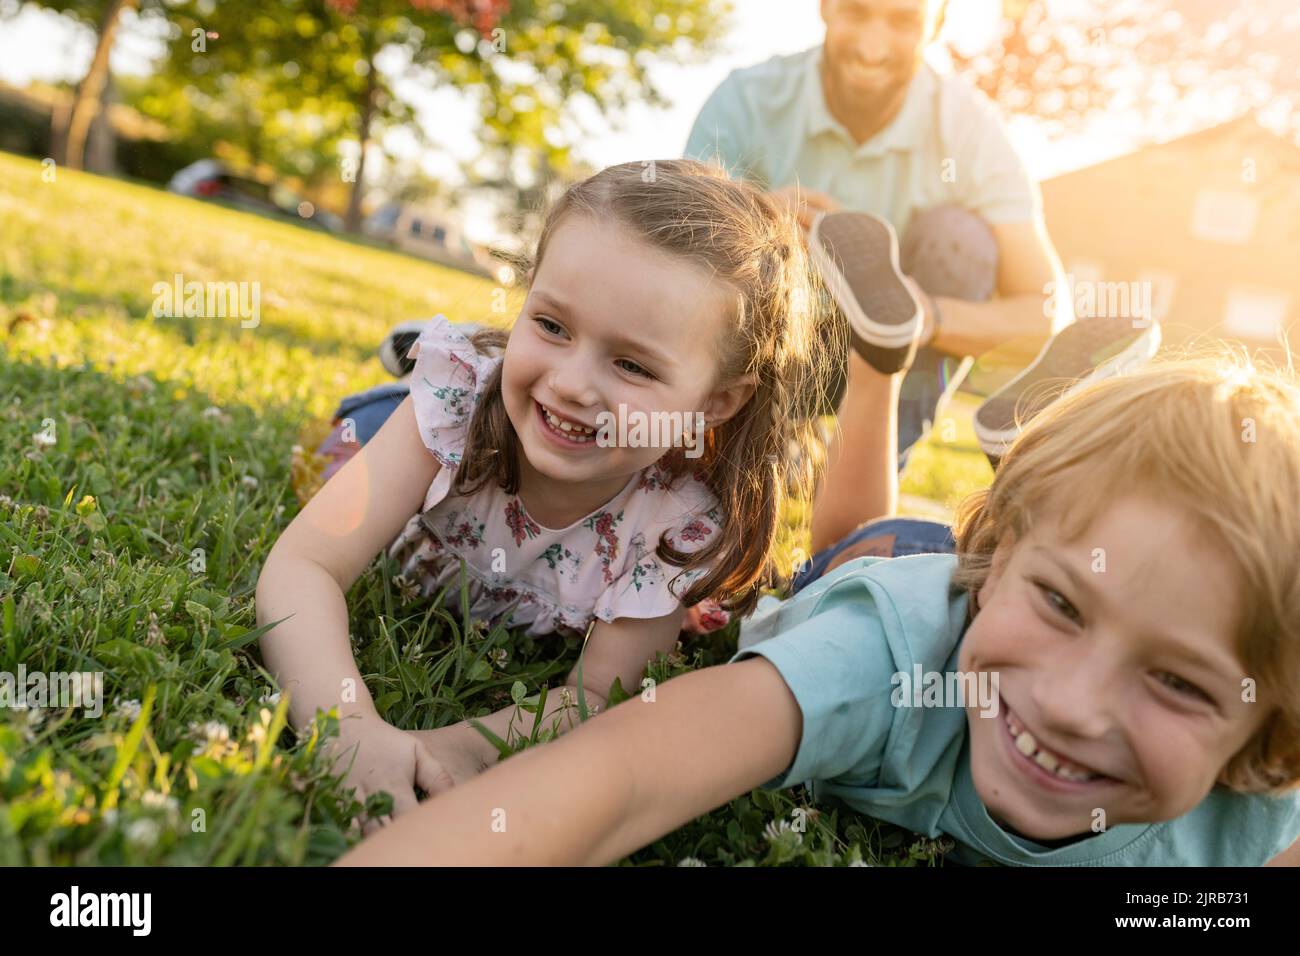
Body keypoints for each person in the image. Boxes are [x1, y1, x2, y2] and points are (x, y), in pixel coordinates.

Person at [335, 353, 1300, 866]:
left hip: (996, 558)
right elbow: (618, 779)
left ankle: (1037, 461)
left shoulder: (1258, 820)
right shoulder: (880, 656)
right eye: (1062, 605)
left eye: (1177, 681)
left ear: (1270, 737)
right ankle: (885, 368)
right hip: (891, 577)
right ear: (998, 569)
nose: (1075, 706)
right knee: (857, 542)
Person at [256, 159, 838, 831]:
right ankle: (415, 360)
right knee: (350, 440)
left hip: (522, 413)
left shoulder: (675, 529)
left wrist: (437, 754)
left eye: (631, 365)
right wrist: (346, 725)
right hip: (449, 422)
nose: (570, 383)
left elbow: (592, 696)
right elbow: (304, 565)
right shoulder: (455, 404)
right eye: (553, 325)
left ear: (715, 403)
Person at [681, 0, 1160, 542]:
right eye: (857, 12)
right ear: (824, 8)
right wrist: (755, 220)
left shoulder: (970, 128)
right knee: (711, 234)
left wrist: (922, 316)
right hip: (770, 341)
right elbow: (673, 270)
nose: (873, 44)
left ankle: (866, 473)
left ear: (937, 23)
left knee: (961, 237)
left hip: (892, 367)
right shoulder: (747, 97)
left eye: (902, 20)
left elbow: (1045, 311)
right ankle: (743, 463)